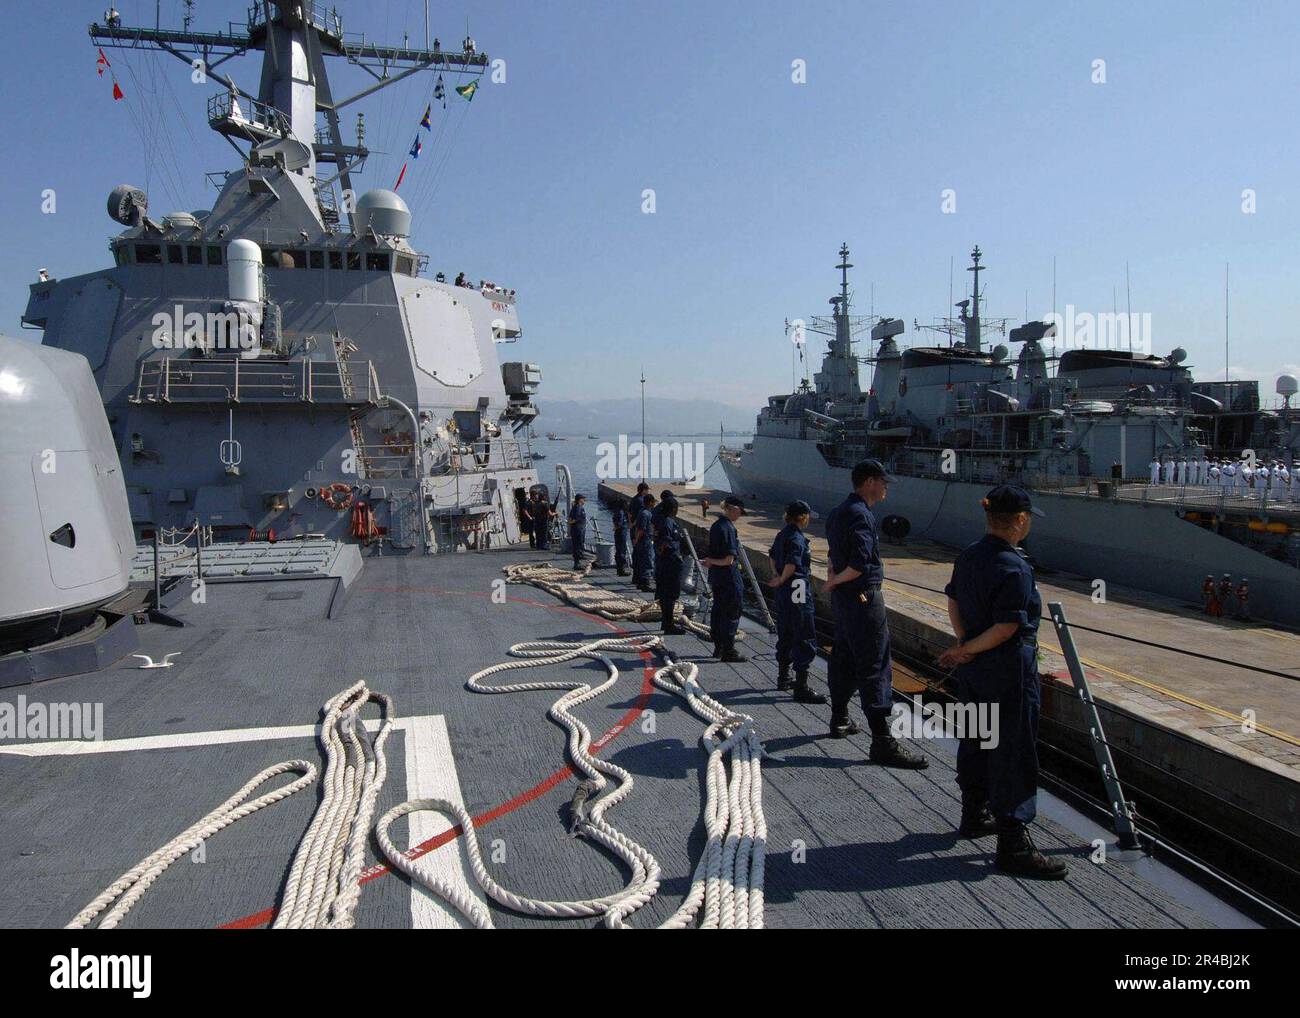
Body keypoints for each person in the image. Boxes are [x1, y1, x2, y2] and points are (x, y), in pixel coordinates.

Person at [938, 484, 1067, 879]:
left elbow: (954, 602)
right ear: (1021, 522)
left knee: (977, 739)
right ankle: (1012, 844)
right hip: (1008, 672)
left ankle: (973, 813)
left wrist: (963, 645)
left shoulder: (970, 555)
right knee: (1011, 749)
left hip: (976, 671)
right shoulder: (1016, 567)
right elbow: (1009, 626)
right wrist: (970, 648)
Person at [822, 460, 927, 767]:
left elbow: (833, 555)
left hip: (845, 600)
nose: (886, 488)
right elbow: (858, 564)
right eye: (883, 482)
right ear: (869, 482)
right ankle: (883, 741)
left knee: (843, 655)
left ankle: (839, 717)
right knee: (875, 663)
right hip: (864, 597)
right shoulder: (861, 515)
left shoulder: (838, 512)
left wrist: (834, 580)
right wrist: (836, 581)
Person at [767, 500, 827, 704]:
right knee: (804, 633)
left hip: (785, 591)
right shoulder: (797, 538)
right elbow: (793, 563)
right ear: (803, 517)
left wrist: (777, 576)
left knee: (785, 631)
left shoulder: (781, 534)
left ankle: (783, 677)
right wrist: (782, 578)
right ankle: (801, 686)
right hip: (797, 588)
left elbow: (773, 557)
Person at [701, 495, 748, 663]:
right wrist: (713, 561)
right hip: (729, 577)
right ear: (733, 509)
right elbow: (729, 559)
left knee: (719, 610)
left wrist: (711, 561)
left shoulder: (716, 525)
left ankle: (718, 647)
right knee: (732, 612)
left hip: (717, 577)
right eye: (739, 512)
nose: (740, 516)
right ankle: (728, 649)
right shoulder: (728, 528)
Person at [653, 495, 687, 635]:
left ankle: (667, 622)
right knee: (670, 594)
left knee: (667, 594)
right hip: (670, 563)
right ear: (673, 509)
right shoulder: (667, 523)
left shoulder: (665, 521)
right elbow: (662, 544)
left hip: (667, 562)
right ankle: (668, 624)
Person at [632, 493, 656, 591]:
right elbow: (641, 529)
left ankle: (638, 580)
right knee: (647, 560)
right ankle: (645, 583)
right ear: (650, 502)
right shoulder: (646, 514)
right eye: (653, 502)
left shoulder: (642, 512)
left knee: (640, 560)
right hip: (645, 540)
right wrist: (636, 539)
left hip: (642, 540)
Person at [611, 497, 631, 577]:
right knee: (621, 551)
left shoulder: (618, 512)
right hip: (621, 534)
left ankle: (620, 569)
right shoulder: (621, 512)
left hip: (621, 533)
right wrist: (616, 528)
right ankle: (621, 569)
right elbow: (619, 524)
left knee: (620, 551)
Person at [568, 493, 588, 570]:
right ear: (580, 500)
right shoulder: (578, 508)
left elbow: (570, 518)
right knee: (577, 546)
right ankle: (577, 564)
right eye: (583, 499)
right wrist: (574, 523)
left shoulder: (575, 507)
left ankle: (578, 562)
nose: (584, 501)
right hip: (578, 530)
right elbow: (572, 519)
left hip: (578, 530)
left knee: (578, 546)